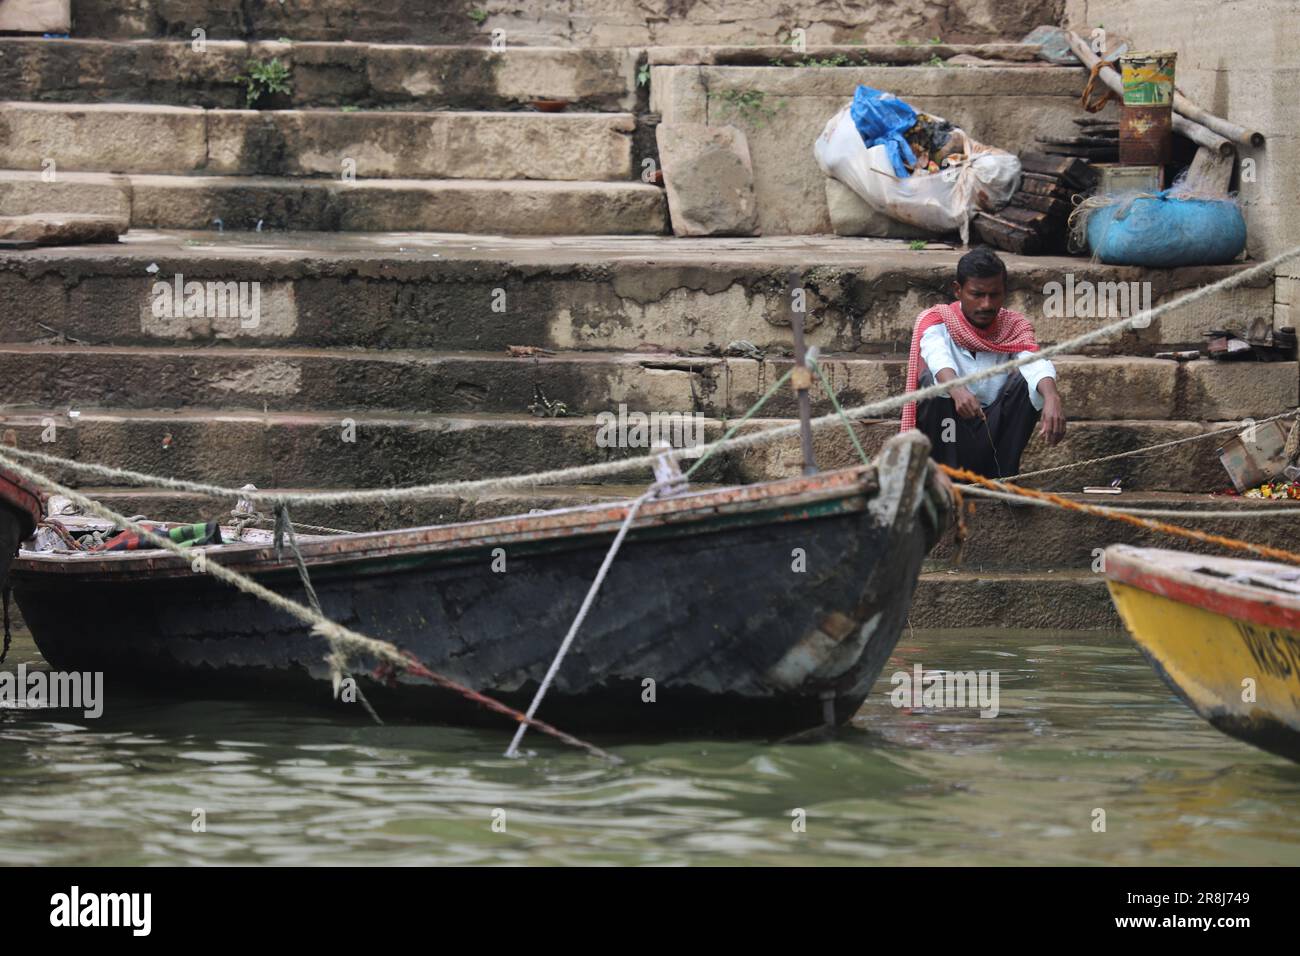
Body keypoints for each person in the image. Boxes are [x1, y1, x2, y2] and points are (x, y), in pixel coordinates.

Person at [900, 247, 1066, 478]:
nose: (986, 304)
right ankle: (945, 477)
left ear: (1004, 292)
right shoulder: (937, 321)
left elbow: (1034, 361)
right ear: (957, 290)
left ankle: (1004, 475)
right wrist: (957, 390)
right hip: (950, 433)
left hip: (993, 433)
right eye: (977, 294)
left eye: (994, 295)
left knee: (1030, 383)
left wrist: (1052, 397)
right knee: (932, 382)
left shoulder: (1014, 325)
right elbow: (937, 356)